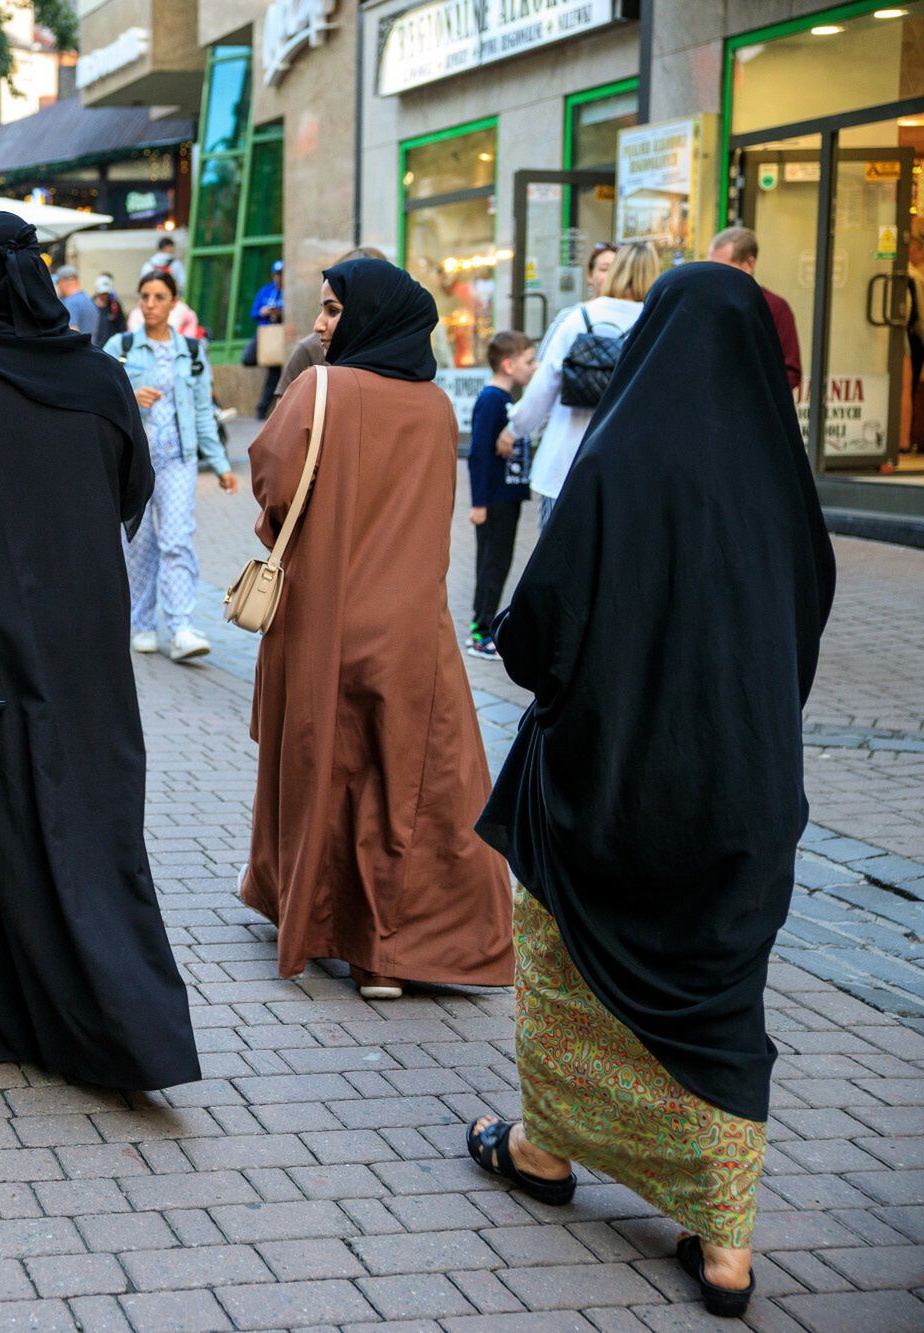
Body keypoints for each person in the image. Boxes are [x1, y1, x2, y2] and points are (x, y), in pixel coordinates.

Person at [469, 262, 835, 1318]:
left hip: (609, 782)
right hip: (741, 792)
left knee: (567, 974)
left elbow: (530, 638)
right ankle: (723, 1248)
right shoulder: (782, 484)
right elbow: (799, 645)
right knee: (721, 999)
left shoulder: (617, 463)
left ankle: (542, 1149)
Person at [0, 211, 200, 1092]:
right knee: (86, 817)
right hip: (86, 638)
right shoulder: (100, 376)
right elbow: (130, 492)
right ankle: (115, 1020)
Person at [238, 257, 511, 1000]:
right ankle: (387, 953)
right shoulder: (435, 408)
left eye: (331, 310)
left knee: (320, 769)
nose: (323, 324)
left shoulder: (323, 387)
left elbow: (274, 479)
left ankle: (307, 909)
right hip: (414, 627)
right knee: (403, 789)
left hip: (326, 616)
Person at [102, 272, 236, 663]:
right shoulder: (120, 347)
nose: (150, 304)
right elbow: (97, 397)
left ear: (174, 302)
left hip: (179, 461)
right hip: (136, 463)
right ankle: (141, 625)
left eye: (159, 297)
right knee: (139, 546)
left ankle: (181, 627)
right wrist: (129, 394)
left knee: (176, 540)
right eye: (144, 296)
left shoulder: (192, 353)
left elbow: (201, 413)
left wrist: (221, 464)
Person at [512, 242, 659, 527]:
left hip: (565, 464)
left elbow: (544, 385)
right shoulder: (656, 323)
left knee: (555, 562)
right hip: (627, 470)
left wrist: (514, 428)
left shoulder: (577, 318)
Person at [466, 330, 535, 659]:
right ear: (508, 365)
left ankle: (482, 628)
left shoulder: (507, 401)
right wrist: (478, 504)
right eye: (529, 361)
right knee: (492, 564)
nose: (534, 367)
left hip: (507, 499)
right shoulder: (492, 401)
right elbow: (478, 454)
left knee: (498, 562)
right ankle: (481, 633)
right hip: (494, 501)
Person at [273, 247, 387, 403]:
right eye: (327, 309)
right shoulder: (310, 350)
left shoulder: (398, 356)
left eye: (333, 311)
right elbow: (283, 419)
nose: (318, 325)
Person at [707, 226, 801, 392]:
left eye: (723, 269)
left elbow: (791, 372)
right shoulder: (708, 304)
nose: (714, 276)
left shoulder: (775, 308)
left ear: (749, 264)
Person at [251, 259, 285, 416]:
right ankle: (263, 408)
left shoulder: (288, 292)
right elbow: (253, 313)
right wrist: (263, 312)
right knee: (271, 372)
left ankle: (264, 408)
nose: (279, 278)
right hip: (266, 336)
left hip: (282, 336)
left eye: (282, 275)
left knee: (275, 373)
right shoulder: (266, 291)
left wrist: (280, 313)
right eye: (277, 275)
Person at [54, 265, 98, 334]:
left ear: (62, 282)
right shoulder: (88, 299)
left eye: (58, 283)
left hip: (79, 344)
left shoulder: (71, 303)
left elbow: (72, 333)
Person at [91, 274, 125, 345]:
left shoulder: (115, 306)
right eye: (102, 293)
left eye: (106, 293)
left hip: (111, 346)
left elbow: (121, 327)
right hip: (94, 345)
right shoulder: (90, 305)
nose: (104, 296)